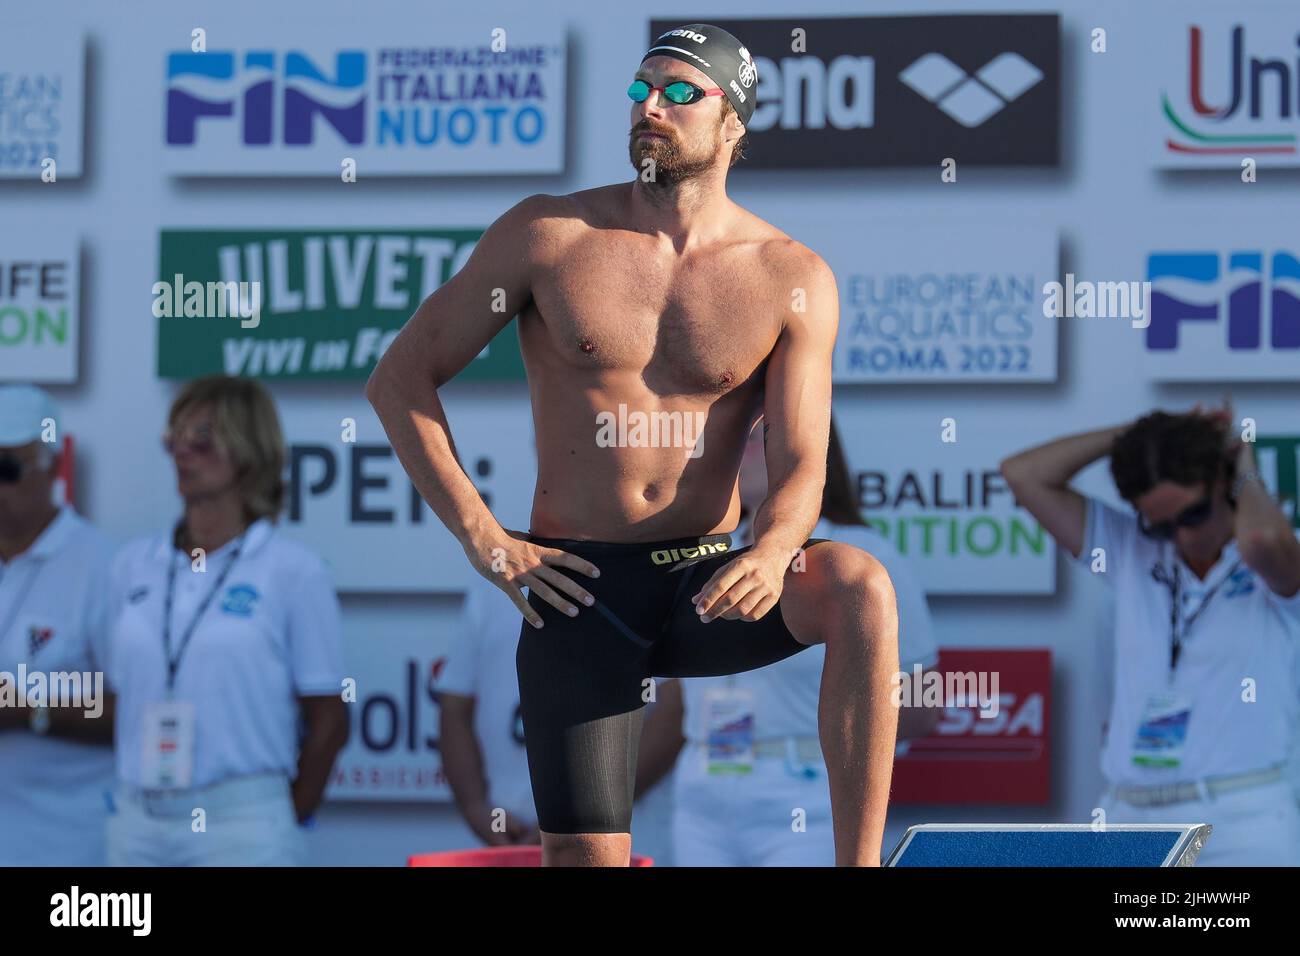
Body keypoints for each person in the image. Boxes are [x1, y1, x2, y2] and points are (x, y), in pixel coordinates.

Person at [368, 23, 900, 867]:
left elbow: (802, 464)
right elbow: (399, 380)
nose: (652, 105)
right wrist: (486, 539)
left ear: (734, 125)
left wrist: (772, 553)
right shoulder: (550, 236)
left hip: (706, 578)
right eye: (643, 88)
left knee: (859, 585)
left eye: (681, 92)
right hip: (577, 589)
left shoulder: (788, 274)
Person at [1000, 403, 1300, 866]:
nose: (1181, 536)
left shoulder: (1268, 557)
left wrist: (1242, 465)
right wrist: (1140, 435)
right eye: (1159, 524)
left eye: (1194, 514)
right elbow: (1023, 475)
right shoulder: (1129, 550)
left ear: (1222, 483)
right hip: (1130, 817)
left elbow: (1262, 541)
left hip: (1242, 819)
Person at [637, 417, 940, 866]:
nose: (736, 452)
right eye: (728, 437)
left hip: (806, 794)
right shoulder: (704, 556)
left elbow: (923, 706)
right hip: (702, 794)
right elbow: (679, 700)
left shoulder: (858, 560)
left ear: (810, 450)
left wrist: (831, 727)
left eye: (756, 438)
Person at [105, 376, 349, 866]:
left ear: (247, 449)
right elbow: (116, 700)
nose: (181, 452)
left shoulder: (292, 570)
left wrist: (283, 820)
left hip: (242, 825)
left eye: (200, 438)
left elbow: (329, 719)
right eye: (173, 438)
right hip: (136, 821)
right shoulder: (132, 564)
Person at [436, 572, 675, 859]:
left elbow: (673, 712)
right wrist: (477, 808)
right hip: (509, 834)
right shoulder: (498, 582)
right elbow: (454, 705)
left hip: (625, 833)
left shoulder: (635, 575)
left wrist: (579, 822)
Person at [0, 384, 116, 865]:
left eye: (6, 469)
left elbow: (132, 707)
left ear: (54, 468)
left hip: (67, 849)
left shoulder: (103, 566)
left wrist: (27, 709)